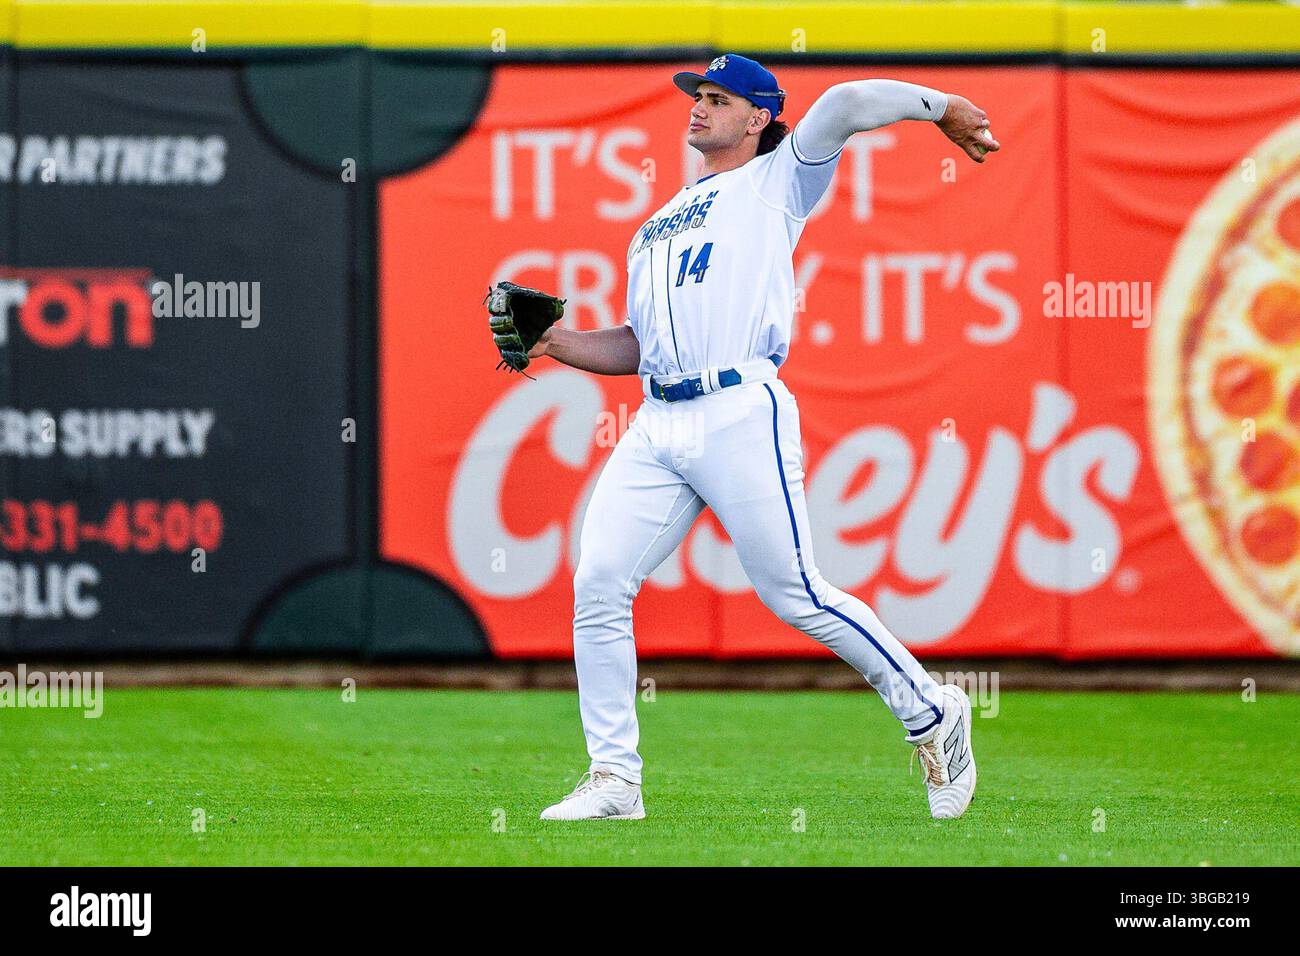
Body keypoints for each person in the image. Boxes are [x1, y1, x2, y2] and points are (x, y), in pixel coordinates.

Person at [527, 54, 999, 821]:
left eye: (717, 99)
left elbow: (845, 101)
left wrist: (938, 104)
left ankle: (932, 712)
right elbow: (640, 348)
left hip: (739, 408)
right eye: (696, 97)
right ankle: (614, 779)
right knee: (599, 580)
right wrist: (556, 342)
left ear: (756, 118)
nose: (698, 108)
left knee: (796, 592)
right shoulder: (651, 228)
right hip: (658, 420)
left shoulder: (780, 180)